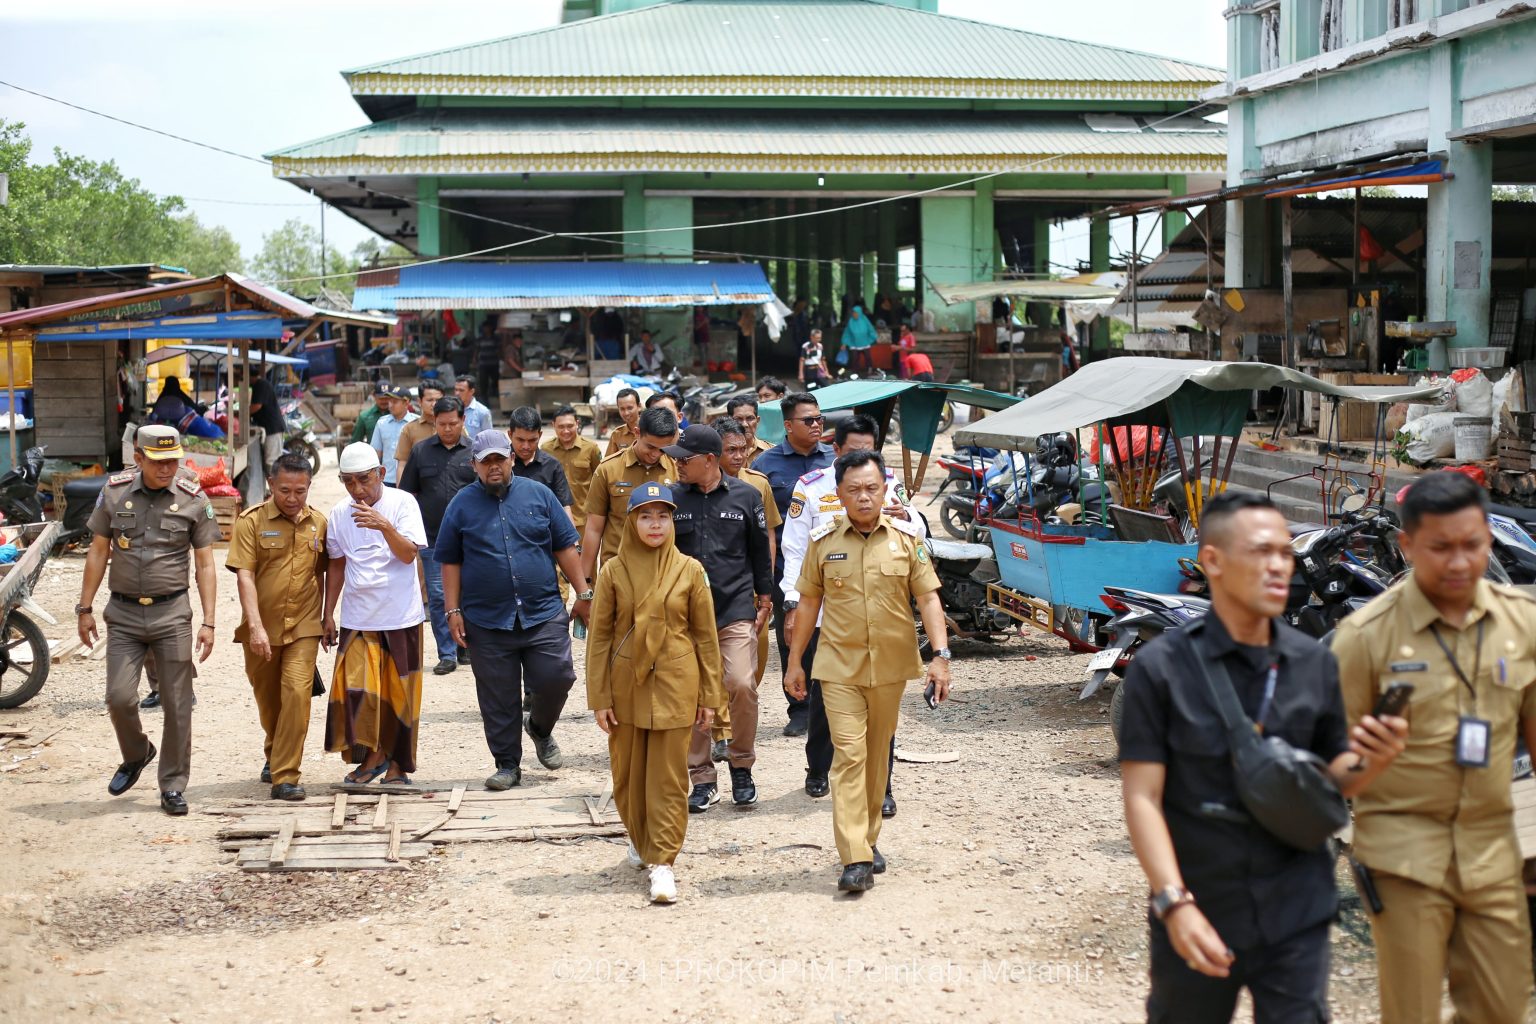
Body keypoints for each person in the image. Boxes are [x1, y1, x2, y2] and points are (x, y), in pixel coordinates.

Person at [1119, 491, 1402, 1023]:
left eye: (1284, 553)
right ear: (1214, 561)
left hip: (1297, 905)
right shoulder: (1163, 667)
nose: (1278, 565)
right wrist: (1173, 904)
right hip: (1201, 901)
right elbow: (1143, 798)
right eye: (1260, 551)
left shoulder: (1313, 662)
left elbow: (1332, 778)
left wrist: (1373, 760)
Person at [1332, 472, 1535, 1024]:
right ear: (1407, 546)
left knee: (1503, 1009)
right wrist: (1365, 760)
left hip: (1492, 856)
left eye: (1473, 545)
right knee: (1413, 1014)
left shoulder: (1522, 624)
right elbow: (1329, 777)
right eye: (1440, 548)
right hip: (1404, 859)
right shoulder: (1364, 639)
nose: (1459, 562)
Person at [783, 450, 949, 893]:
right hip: (838, 666)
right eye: (854, 489)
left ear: (884, 490)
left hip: (891, 666)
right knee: (850, 755)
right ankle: (854, 855)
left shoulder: (905, 539)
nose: (863, 496)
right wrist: (796, 661)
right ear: (838, 494)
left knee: (878, 758)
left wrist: (941, 656)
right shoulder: (823, 542)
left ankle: (869, 839)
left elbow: (929, 598)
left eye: (871, 488)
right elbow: (808, 604)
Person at [588, 481, 724, 903]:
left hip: (675, 683)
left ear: (672, 521)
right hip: (626, 684)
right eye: (645, 515)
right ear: (631, 521)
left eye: (663, 515)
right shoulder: (613, 570)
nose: (655, 524)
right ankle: (639, 836)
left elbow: (706, 637)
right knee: (628, 775)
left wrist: (710, 696)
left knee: (667, 776)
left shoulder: (689, 570)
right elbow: (599, 637)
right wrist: (600, 697)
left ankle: (663, 862)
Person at [781, 414, 923, 812]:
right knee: (826, 702)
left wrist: (907, 517)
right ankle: (817, 768)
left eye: (870, 450)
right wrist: (792, 602)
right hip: (826, 614)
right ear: (837, 450)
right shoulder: (811, 487)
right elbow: (795, 549)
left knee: (881, 714)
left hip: (877, 616)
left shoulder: (887, 483)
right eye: (855, 450)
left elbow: (917, 532)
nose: (864, 458)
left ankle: (883, 788)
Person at [438, 430, 593, 791]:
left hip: (542, 611)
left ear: (511, 458)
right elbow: (450, 561)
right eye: (485, 461)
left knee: (558, 676)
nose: (494, 466)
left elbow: (565, 547)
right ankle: (508, 764)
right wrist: (452, 610)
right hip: (487, 619)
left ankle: (539, 727)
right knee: (498, 695)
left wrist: (584, 594)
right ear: (474, 465)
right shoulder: (460, 505)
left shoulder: (540, 495)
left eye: (499, 459)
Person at [76, 425, 219, 817]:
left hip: (172, 614)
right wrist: (84, 609)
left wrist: (209, 621)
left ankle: (172, 785)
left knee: (177, 705)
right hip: (122, 615)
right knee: (119, 698)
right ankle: (138, 752)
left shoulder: (193, 498)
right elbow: (98, 551)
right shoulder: (115, 492)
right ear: (138, 458)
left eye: (173, 460)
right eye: (158, 461)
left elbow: (205, 563)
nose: (167, 468)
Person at [663, 425, 773, 812]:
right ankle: (702, 778)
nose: (677, 464)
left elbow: (760, 551)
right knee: (693, 694)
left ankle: (741, 766)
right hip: (685, 618)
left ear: (709, 460)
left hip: (734, 610)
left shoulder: (746, 496)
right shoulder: (673, 499)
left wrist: (765, 596)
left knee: (741, 684)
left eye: (684, 458)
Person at [323, 443, 428, 786]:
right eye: (349, 482)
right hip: (358, 617)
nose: (357, 489)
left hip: (400, 616)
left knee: (400, 695)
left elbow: (408, 555)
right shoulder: (340, 512)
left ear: (381, 473)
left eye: (364, 479)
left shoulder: (402, 503)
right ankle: (373, 756)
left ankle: (396, 765)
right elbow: (336, 565)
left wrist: (383, 525)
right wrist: (328, 614)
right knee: (358, 692)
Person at [227, 452, 327, 801]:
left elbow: (324, 572)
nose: (292, 498)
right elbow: (245, 575)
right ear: (271, 484)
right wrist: (254, 626)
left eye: (301, 491)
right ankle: (275, 750)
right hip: (262, 628)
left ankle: (286, 775)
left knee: (297, 695)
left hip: (304, 625)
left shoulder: (319, 523)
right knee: (269, 701)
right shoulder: (250, 522)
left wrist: (326, 615)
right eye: (285, 490)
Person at [753, 392, 835, 736]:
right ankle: (799, 708)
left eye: (820, 419)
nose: (817, 425)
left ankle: (828, 704)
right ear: (788, 426)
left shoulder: (833, 460)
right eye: (808, 420)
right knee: (791, 637)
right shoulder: (765, 465)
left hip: (832, 567)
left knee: (829, 635)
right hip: (786, 567)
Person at [715, 418, 783, 758]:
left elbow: (768, 536)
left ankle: (737, 731)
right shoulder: (697, 489)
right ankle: (721, 731)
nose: (740, 456)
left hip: (749, 591)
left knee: (748, 671)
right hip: (714, 594)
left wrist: (764, 586)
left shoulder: (758, 485)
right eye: (731, 450)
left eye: (743, 449)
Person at [399, 398, 476, 676]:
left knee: (470, 591)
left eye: (452, 424)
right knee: (439, 595)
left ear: (463, 420)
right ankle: (446, 653)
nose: (447, 429)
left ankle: (465, 645)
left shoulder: (475, 451)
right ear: (434, 423)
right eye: (441, 424)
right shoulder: (420, 452)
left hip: (470, 538)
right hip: (432, 538)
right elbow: (408, 495)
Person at [582, 407, 679, 583]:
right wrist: (584, 582)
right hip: (618, 574)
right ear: (637, 432)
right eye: (650, 446)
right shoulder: (608, 470)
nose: (655, 454)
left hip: (662, 575)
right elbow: (593, 529)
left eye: (663, 449)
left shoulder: (676, 471)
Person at [507, 406, 574, 520]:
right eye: (520, 440)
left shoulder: (552, 466)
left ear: (540, 435)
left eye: (532, 440)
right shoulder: (499, 463)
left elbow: (564, 507)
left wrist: (571, 537)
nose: (526, 446)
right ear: (510, 435)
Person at [542, 405, 603, 515]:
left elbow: (601, 481)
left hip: (584, 518)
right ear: (553, 425)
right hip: (555, 516)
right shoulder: (546, 449)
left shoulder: (591, 448)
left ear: (577, 424)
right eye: (561, 427)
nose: (566, 431)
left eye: (570, 426)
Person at [394, 384, 450, 476]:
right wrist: (401, 490)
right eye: (429, 400)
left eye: (438, 400)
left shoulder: (454, 427)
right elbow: (402, 465)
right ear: (419, 401)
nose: (434, 404)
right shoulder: (409, 429)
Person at [370, 385, 419, 486]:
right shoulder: (382, 423)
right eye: (390, 401)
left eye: (395, 402)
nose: (391, 405)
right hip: (387, 479)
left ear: (406, 403)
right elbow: (376, 453)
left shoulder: (417, 423)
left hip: (412, 478)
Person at [245, 371, 287, 473]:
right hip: (269, 427)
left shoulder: (261, 385)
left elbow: (256, 406)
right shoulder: (259, 385)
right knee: (271, 460)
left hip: (272, 428)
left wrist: (242, 414)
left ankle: (276, 487)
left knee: (272, 461)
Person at [728, 396, 773, 466]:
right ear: (729, 421)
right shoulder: (719, 453)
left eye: (750, 418)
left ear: (757, 420)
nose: (745, 424)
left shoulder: (771, 451)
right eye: (739, 419)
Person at [604, 387, 643, 458]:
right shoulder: (617, 434)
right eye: (622, 409)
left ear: (639, 406)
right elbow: (609, 462)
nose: (626, 413)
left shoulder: (651, 430)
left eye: (630, 408)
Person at [840, 305, 878, 376]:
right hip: (854, 343)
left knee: (868, 357)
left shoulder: (864, 319)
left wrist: (874, 337)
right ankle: (855, 373)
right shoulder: (851, 321)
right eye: (853, 313)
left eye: (856, 313)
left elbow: (870, 329)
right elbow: (847, 333)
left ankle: (869, 370)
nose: (854, 314)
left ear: (859, 313)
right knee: (855, 359)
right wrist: (844, 343)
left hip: (865, 342)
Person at [475, 319, 502, 403]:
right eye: (484, 328)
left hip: (494, 363)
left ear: (490, 328)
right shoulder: (480, 339)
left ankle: (495, 395)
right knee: (483, 382)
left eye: (487, 327)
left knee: (495, 380)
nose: (486, 329)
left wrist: (500, 360)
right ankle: (485, 400)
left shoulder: (495, 338)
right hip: (483, 364)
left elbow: (499, 351)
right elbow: (476, 350)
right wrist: (475, 360)